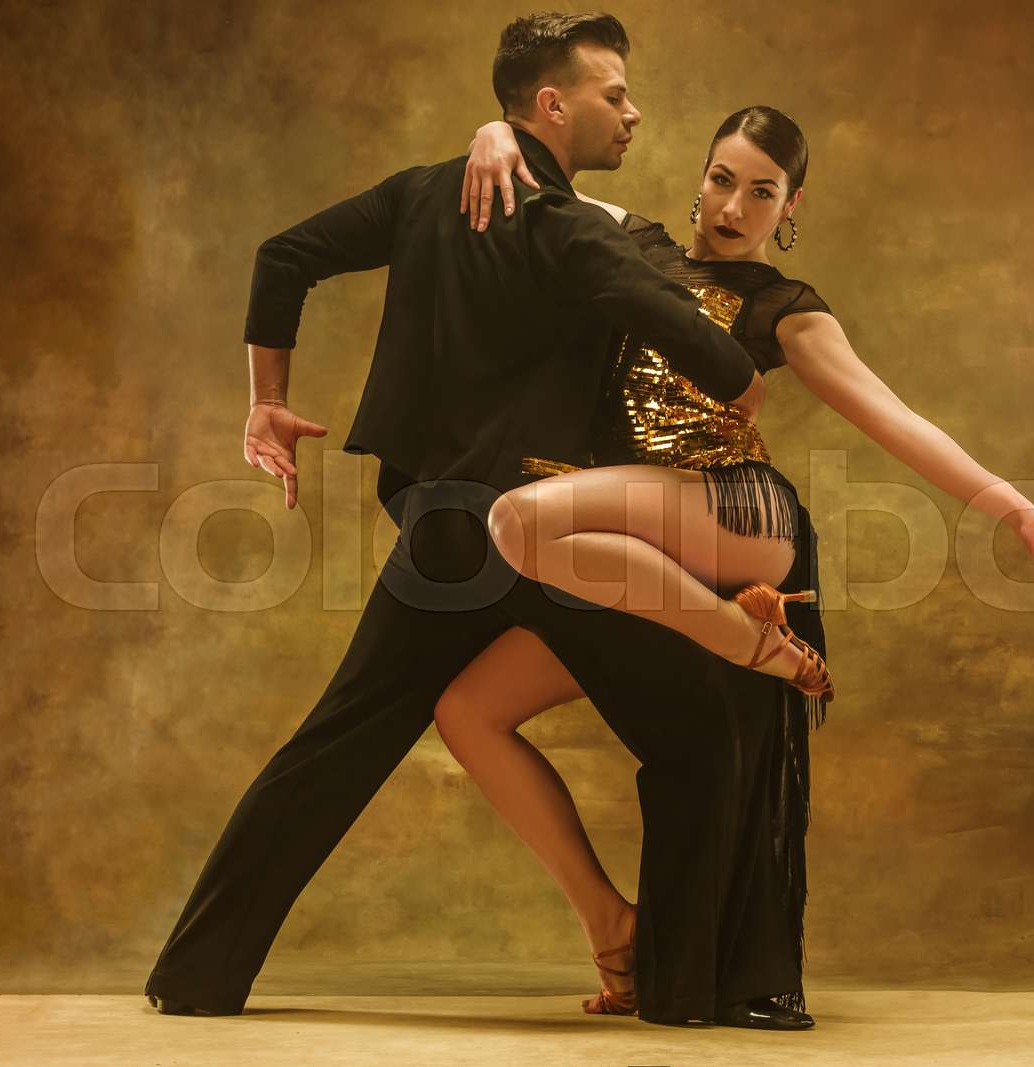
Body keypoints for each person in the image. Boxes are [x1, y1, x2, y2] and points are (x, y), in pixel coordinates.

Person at [143, 12, 822, 1031]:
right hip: (552, 532)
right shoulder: (577, 233)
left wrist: (264, 399)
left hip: (446, 534)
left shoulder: (428, 195)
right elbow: (721, 363)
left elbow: (283, 256)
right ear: (552, 104)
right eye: (613, 95)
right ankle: (674, 982)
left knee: (341, 740)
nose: (632, 111)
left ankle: (195, 974)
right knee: (691, 738)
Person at [427, 104, 1034, 1017]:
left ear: (791, 206)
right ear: (699, 177)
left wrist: (1011, 505)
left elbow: (893, 416)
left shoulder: (787, 307)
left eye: (762, 191)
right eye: (722, 179)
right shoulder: (633, 245)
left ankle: (753, 642)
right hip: (640, 538)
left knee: (519, 520)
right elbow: (536, 182)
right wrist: (493, 133)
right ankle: (611, 928)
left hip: (736, 515)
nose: (733, 205)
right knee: (467, 711)